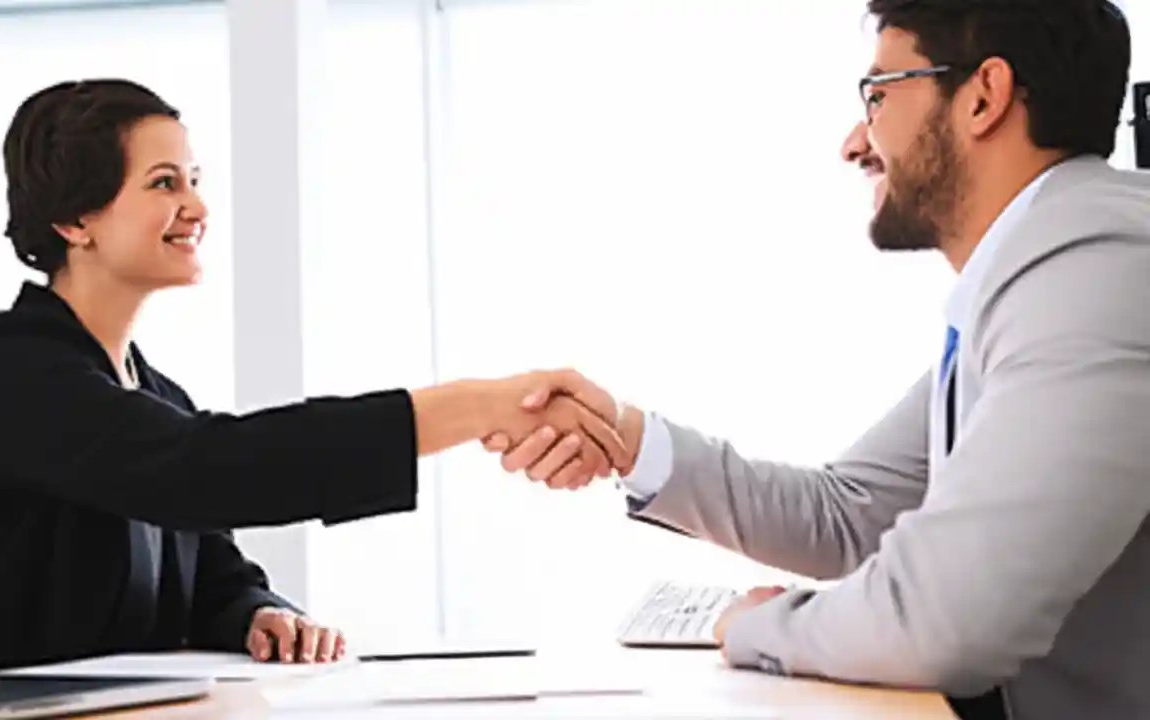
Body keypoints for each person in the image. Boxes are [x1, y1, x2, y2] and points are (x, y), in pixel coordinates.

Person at [488, 1, 1148, 718]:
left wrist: (755, 628)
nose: (855, 142)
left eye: (879, 94)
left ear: (983, 98)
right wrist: (622, 436)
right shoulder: (1039, 279)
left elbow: (945, 622)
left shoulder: (1097, 273)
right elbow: (850, 514)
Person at [0, 79, 630, 675]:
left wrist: (258, 615)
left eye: (194, 178)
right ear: (75, 221)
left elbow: (214, 575)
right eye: (164, 183)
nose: (197, 206)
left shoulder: (153, 394)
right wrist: (472, 407)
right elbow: (206, 470)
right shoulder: (6, 369)